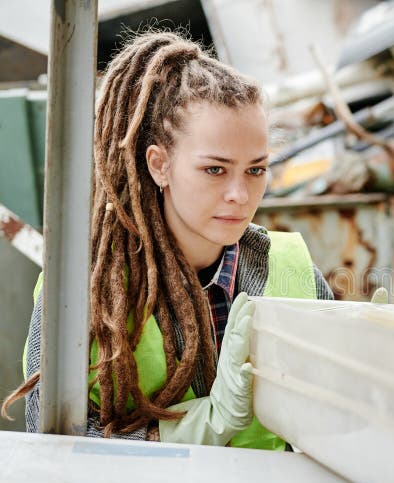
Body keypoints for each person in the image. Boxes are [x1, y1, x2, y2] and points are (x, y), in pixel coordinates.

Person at [0, 31, 333, 450]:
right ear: (159, 165)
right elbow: (48, 437)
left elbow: (336, 432)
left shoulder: (295, 271)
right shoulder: (85, 285)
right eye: (215, 169)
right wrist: (198, 427)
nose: (240, 194)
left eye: (256, 169)